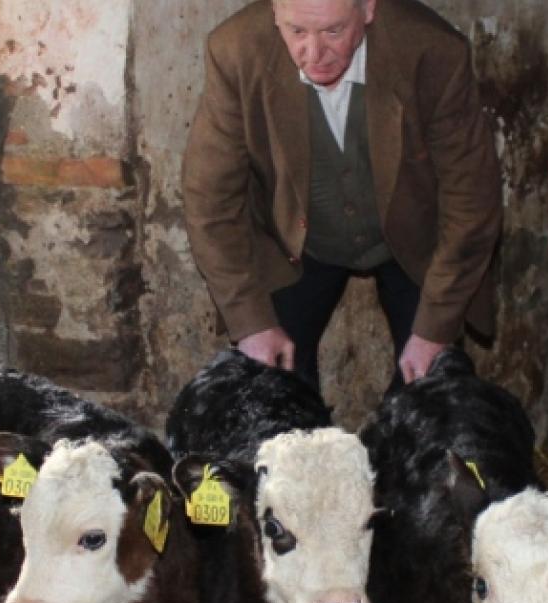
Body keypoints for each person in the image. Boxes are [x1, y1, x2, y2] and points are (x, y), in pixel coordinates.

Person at [182, 0, 500, 392]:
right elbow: (210, 199)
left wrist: (435, 329)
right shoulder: (236, 49)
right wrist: (251, 322)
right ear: (274, 13)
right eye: (296, 31)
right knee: (273, 392)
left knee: (430, 394)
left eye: (333, 31)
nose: (313, 54)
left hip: (415, 242)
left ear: (368, 9)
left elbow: (471, 198)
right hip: (297, 243)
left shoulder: (432, 51)